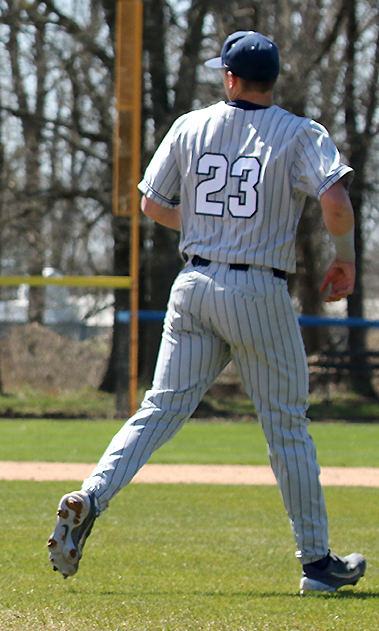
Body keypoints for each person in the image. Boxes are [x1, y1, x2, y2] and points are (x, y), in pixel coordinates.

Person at [47, 31, 365, 593]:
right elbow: (335, 202)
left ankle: (91, 496)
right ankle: (316, 563)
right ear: (272, 80)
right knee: (286, 427)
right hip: (257, 288)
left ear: (229, 77)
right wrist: (345, 259)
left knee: (159, 410)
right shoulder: (299, 132)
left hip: (193, 283)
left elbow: (152, 203)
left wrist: (203, 229)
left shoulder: (192, 125)